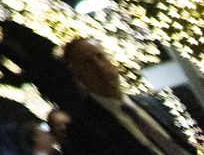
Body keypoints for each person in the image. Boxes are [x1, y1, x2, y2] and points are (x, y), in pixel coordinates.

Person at [52, 38, 195, 155]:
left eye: (100, 56)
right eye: (88, 63)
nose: (99, 65)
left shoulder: (148, 102)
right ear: (78, 77)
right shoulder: (84, 130)